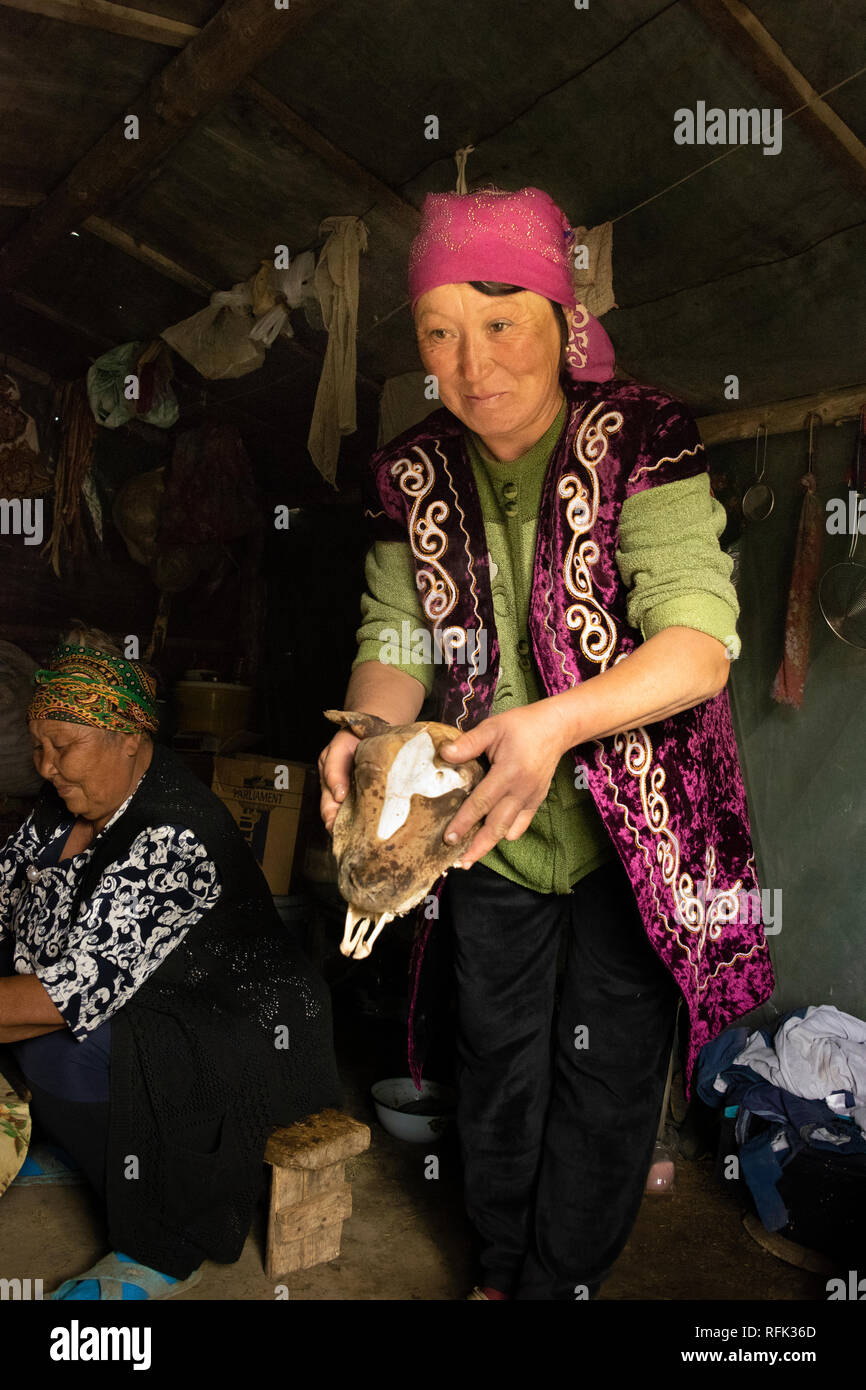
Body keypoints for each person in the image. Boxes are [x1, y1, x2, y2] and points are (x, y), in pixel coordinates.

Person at [318, 185, 775, 1301]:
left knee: (609, 1077)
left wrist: (554, 723)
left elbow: (697, 644)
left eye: (500, 320)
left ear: (563, 322)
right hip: (485, 832)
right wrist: (372, 734)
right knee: (496, 1065)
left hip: (640, 836)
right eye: (438, 332)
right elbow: (393, 635)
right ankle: (498, 1267)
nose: (471, 365)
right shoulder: (409, 472)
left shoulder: (643, 434)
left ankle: (556, 1282)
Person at [0, 628, 341, 1299]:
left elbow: (64, 998)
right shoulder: (59, 804)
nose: (46, 766)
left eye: (63, 747)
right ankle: (77, 1142)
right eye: (38, 747)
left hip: (239, 1028)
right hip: (147, 991)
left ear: (129, 738)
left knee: (57, 1046)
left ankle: (160, 1239)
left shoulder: (175, 833)